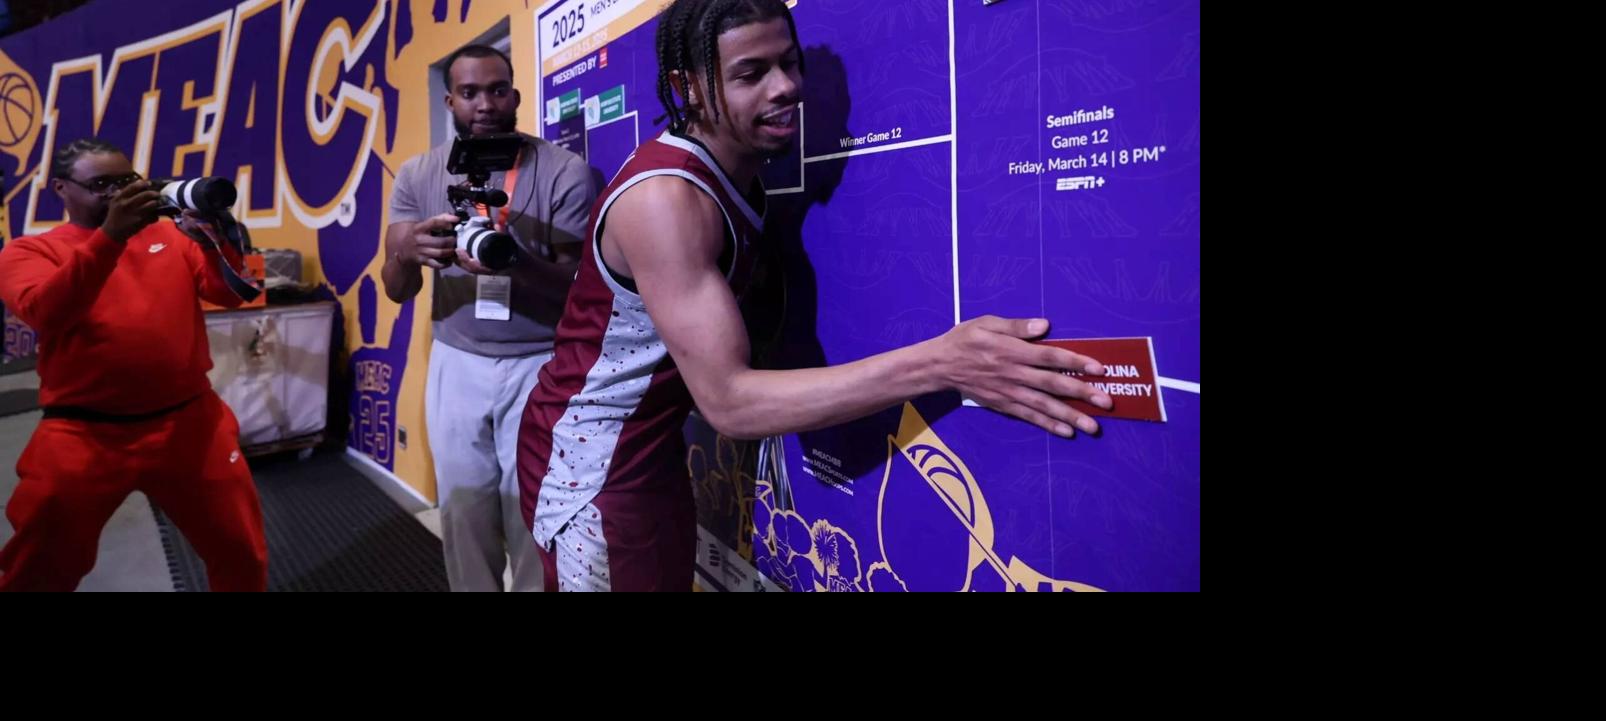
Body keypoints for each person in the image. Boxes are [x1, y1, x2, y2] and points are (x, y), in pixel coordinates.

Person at [517, 0, 1113, 592]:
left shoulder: (731, 172)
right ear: (688, 86)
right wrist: (945, 362)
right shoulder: (667, 199)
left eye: (790, 63)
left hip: (645, 448)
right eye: (751, 74)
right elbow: (730, 403)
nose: (785, 88)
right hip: (590, 466)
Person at [0, 138, 267, 591]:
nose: (119, 193)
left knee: (241, 551)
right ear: (62, 189)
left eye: (126, 180)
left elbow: (229, 294)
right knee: (38, 567)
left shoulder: (169, 236)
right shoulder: (28, 252)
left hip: (190, 422)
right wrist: (110, 239)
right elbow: (46, 311)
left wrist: (218, 237)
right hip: (84, 432)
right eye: (102, 184)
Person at [383, 44, 598, 590]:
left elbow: (579, 293)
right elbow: (394, 288)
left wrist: (513, 260)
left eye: (497, 90)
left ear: (516, 96)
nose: (485, 104)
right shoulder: (417, 174)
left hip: (539, 364)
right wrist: (410, 252)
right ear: (450, 99)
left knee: (533, 516)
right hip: (457, 362)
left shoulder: (564, 171)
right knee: (464, 513)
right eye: (471, 92)